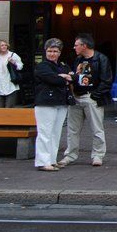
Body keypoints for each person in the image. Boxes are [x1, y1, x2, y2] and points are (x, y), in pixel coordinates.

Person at [58, 34, 112, 167]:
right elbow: (80, 76)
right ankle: (70, 155)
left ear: (84, 46)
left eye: (76, 45)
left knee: (96, 128)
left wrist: (95, 95)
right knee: (72, 129)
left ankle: (98, 155)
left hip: (91, 96)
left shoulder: (101, 59)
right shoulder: (78, 59)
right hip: (77, 96)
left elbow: (106, 80)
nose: (74, 47)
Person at [32, 38, 72, 171]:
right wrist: (63, 77)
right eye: (49, 51)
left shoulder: (63, 65)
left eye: (55, 51)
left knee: (56, 132)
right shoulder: (42, 65)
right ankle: (43, 161)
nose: (52, 54)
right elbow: (53, 79)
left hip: (61, 101)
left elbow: (73, 77)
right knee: (45, 132)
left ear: (60, 52)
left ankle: (52, 159)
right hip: (45, 102)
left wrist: (65, 77)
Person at [0, 39, 23, 108]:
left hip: (10, 83)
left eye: (5, 45)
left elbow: (20, 66)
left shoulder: (13, 55)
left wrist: (13, 63)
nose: (4, 47)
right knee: (0, 105)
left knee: (9, 105)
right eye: (2, 45)